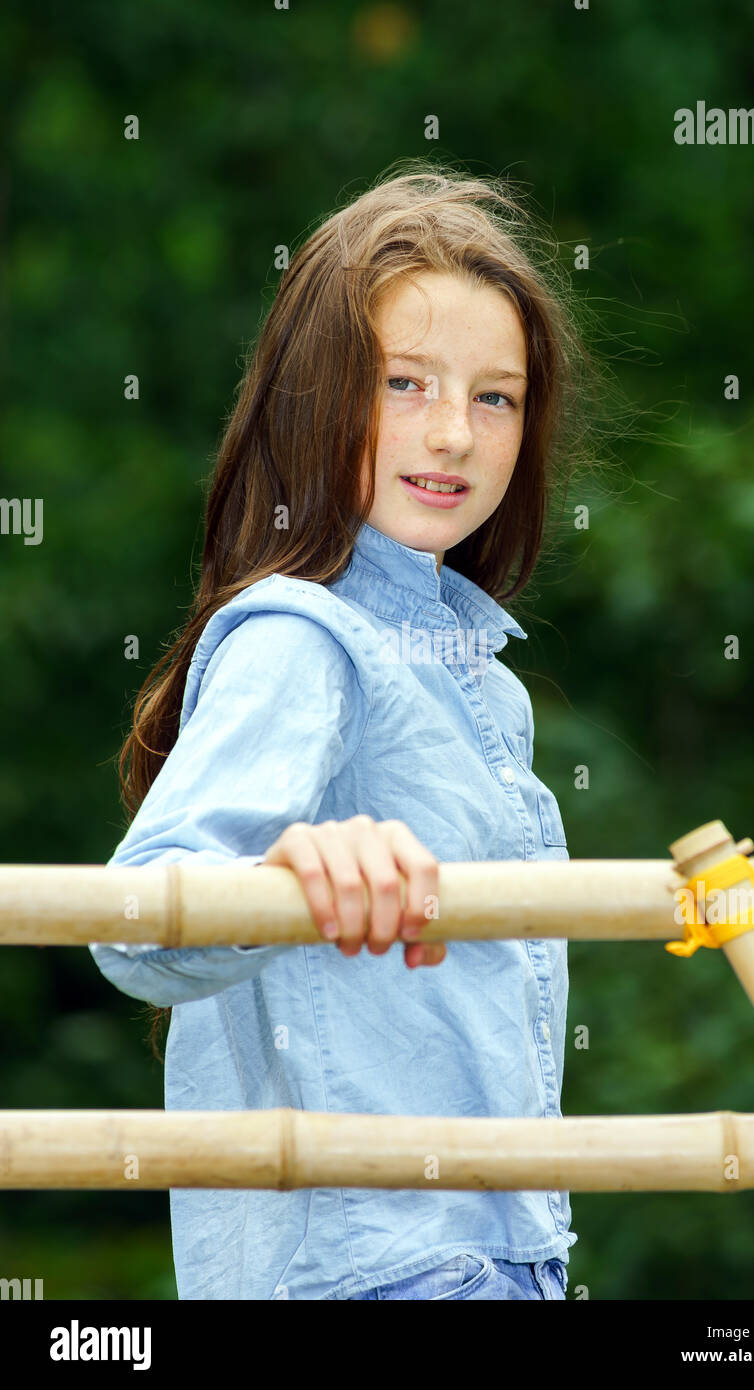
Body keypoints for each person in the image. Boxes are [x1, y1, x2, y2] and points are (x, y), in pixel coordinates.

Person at [91, 160, 595, 1300]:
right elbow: (134, 923)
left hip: (499, 1254)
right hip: (373, 1270)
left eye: (494, 396)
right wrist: (282, 872)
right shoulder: (301, 637)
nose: (454, 434)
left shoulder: (485, 683)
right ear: (315, 394)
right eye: (404, 383)